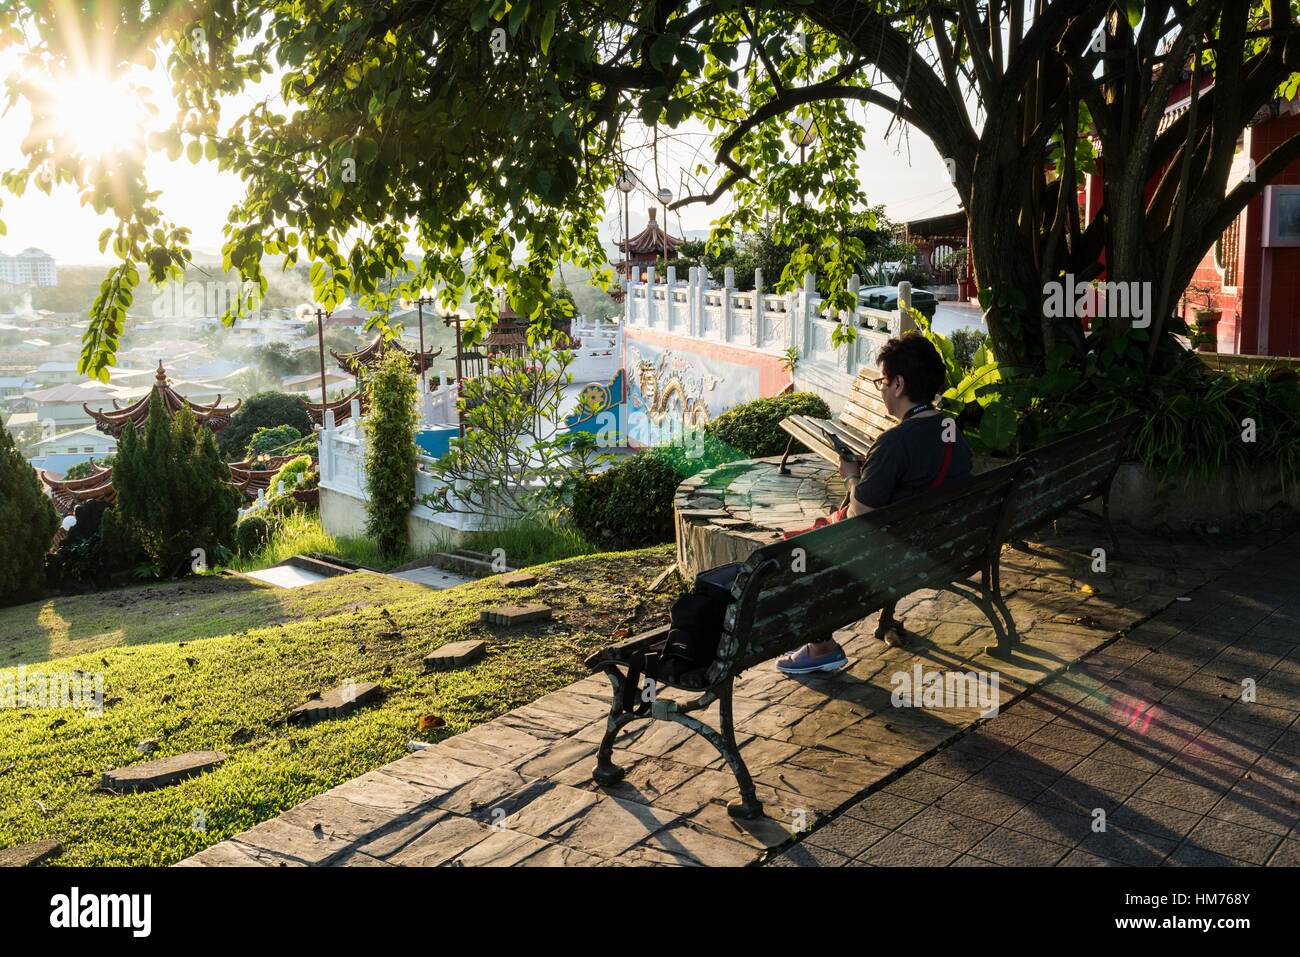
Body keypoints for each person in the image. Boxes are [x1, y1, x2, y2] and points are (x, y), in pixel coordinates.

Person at [777, 332, 974, 676]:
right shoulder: (951, 428)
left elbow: (861, 517)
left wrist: (852, 475)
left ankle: (821, 645)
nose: (880, 388)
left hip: (895, 559)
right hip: (952, 545)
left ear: (898, 384)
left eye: (882, 381)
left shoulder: (895, 442)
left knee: (799, 554)